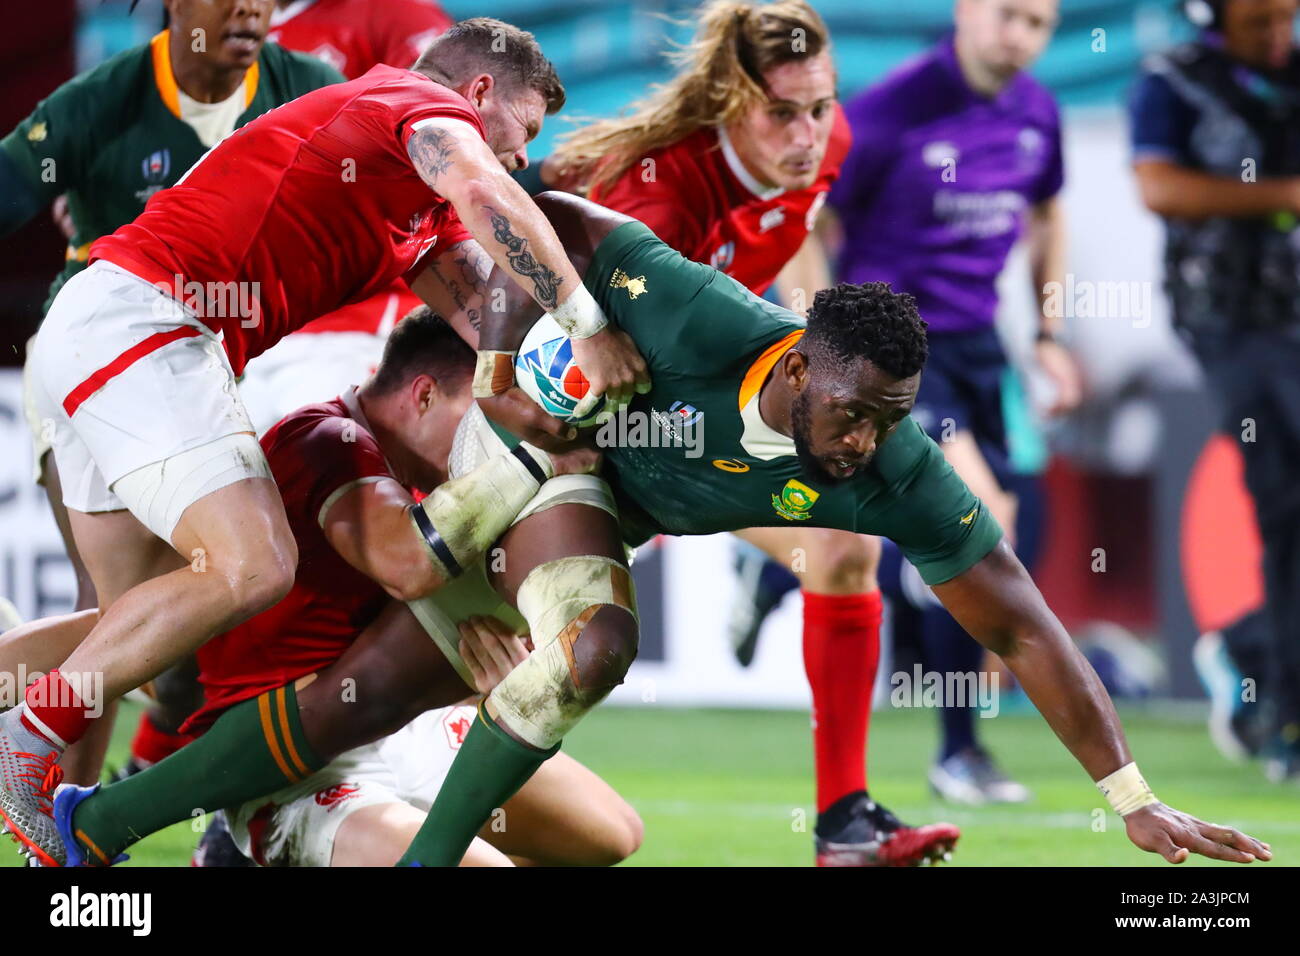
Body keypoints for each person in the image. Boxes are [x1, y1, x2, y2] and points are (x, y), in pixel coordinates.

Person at [44, 194, 1273, 869]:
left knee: (393, 693)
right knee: (484, 667)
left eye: (887, 423)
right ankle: (112, 823)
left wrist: (1130, 795)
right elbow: (550, 214)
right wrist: (543, 328)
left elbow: (1020, 617)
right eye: (850, 415)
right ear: (798, 364)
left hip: (600, 503)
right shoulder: (689, 309)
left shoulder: (894, 467)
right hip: (547, 450)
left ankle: (127, 825)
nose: (864, 444)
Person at [0, 17, 650, 866]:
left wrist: (582, 405)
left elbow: (489, 337)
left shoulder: (405, 210)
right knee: (253, 568)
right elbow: (489, 195)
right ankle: (33, 732)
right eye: (524, 131)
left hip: (98, 327)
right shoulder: (414, 102)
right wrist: (589, 321)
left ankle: (54, 797)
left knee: (140, 631)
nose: (523, 156)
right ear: (480, 94)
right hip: (151, 326)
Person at [537, 0, 953, 866]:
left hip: (688, 418)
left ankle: (842, 825)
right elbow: (583, 365)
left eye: (822, 107)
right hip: (570, 421)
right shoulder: (654, 197)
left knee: (843, 550)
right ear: (731, 98)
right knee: (473, 654)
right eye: (782, 112)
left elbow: (789, 247)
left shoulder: (824, 154)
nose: (808, 135)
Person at [37, 307, 635, 868]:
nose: (488, 448)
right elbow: (408, 563)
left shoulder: (429, 482)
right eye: (484, 421)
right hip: (291, 774)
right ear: (424, 393)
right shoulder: (326, 439)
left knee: (611, 834)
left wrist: (501, 690)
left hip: (398, 729)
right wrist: (537, 461)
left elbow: (412, 640)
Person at [0, 0, 344, 785]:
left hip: (230, 376)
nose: (253, 7)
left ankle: (165, 802)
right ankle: (65, 829)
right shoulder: (105, 101)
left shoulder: (307, 90)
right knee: (122, 604)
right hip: (100, 368)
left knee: (202, 633)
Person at [819, 0, 1083, 804]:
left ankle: (775, 572)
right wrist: (833, 339)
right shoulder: (890, 111)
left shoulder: (1037, 111)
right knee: (977, 520)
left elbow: (1045, 212)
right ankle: (958, 751)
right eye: (1007, 15)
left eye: (1038, 23)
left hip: (977, 349)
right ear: (967, 11)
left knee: (1003, 533)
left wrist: (1048, 331)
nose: (1019, 36)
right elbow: (817, 216)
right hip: (897, 352)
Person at [1130, 0, 1300, 781]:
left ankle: (1252, 646)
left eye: (1286, 19)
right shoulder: (1173, 82)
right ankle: (1285, 713)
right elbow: (1159, 188)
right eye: (1258, 20)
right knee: (1285, 502)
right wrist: (1281, 195)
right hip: (1232, 326)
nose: (1275, 36)